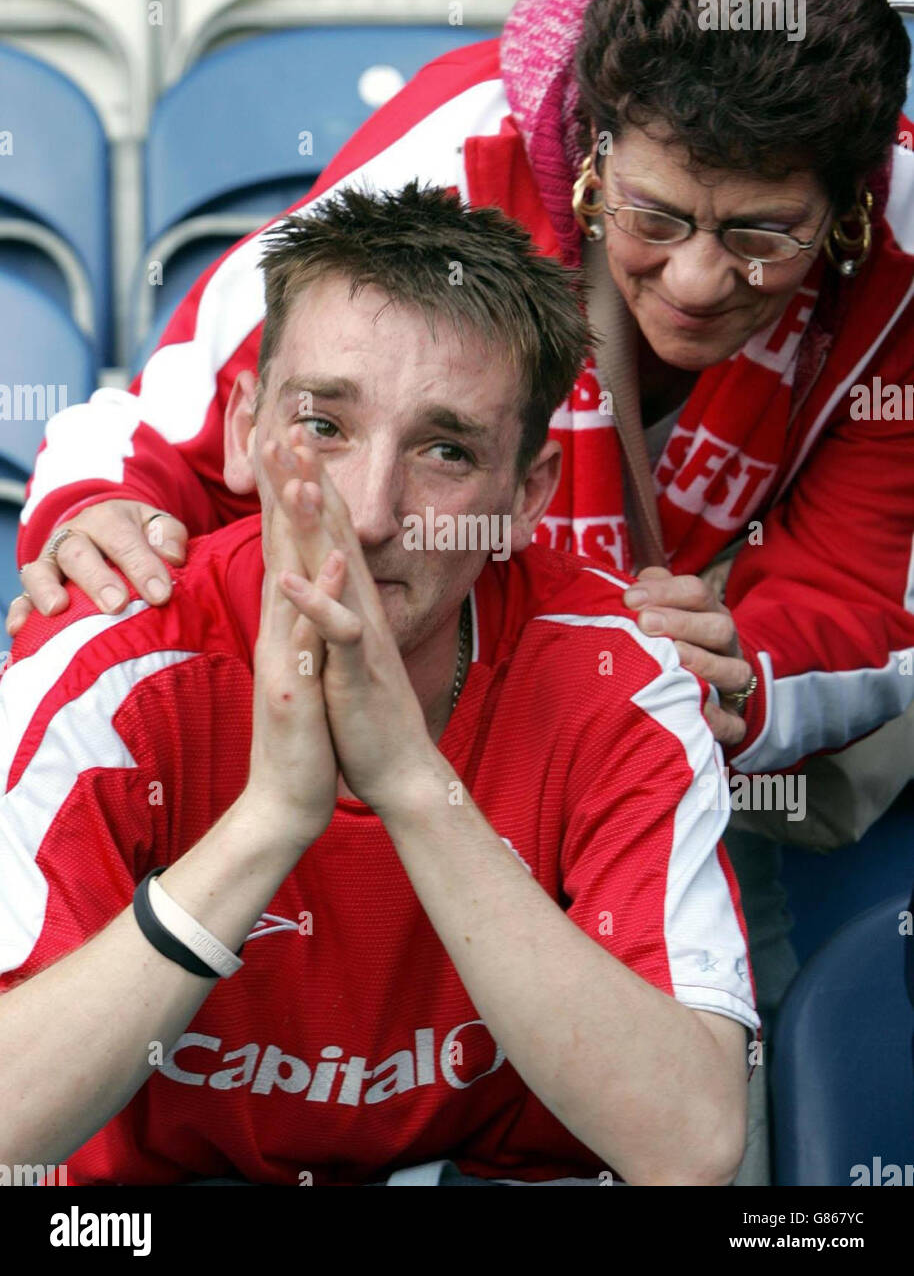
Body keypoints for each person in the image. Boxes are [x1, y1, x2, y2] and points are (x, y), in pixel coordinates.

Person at [7, 0, 914, 1105]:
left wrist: (751, 666)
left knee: (735, 1061)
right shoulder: (454, 157)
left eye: (762, 233)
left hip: (648, 737)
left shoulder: (900, 244)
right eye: (652, 217)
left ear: (849, 202)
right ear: (589, 151)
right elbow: (222, 394)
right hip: (404, 692)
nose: (696, 279)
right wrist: (93, 511)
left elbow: (866, 583)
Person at [0, 184, 757, 1186]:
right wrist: (271, 817)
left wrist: (407, 777)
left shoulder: (620, 677)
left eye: (446, 450)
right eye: (323, 424)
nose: (367, 514)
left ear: (526, 498)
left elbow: (692, 1145)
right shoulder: (107, 660)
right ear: (239, 430)